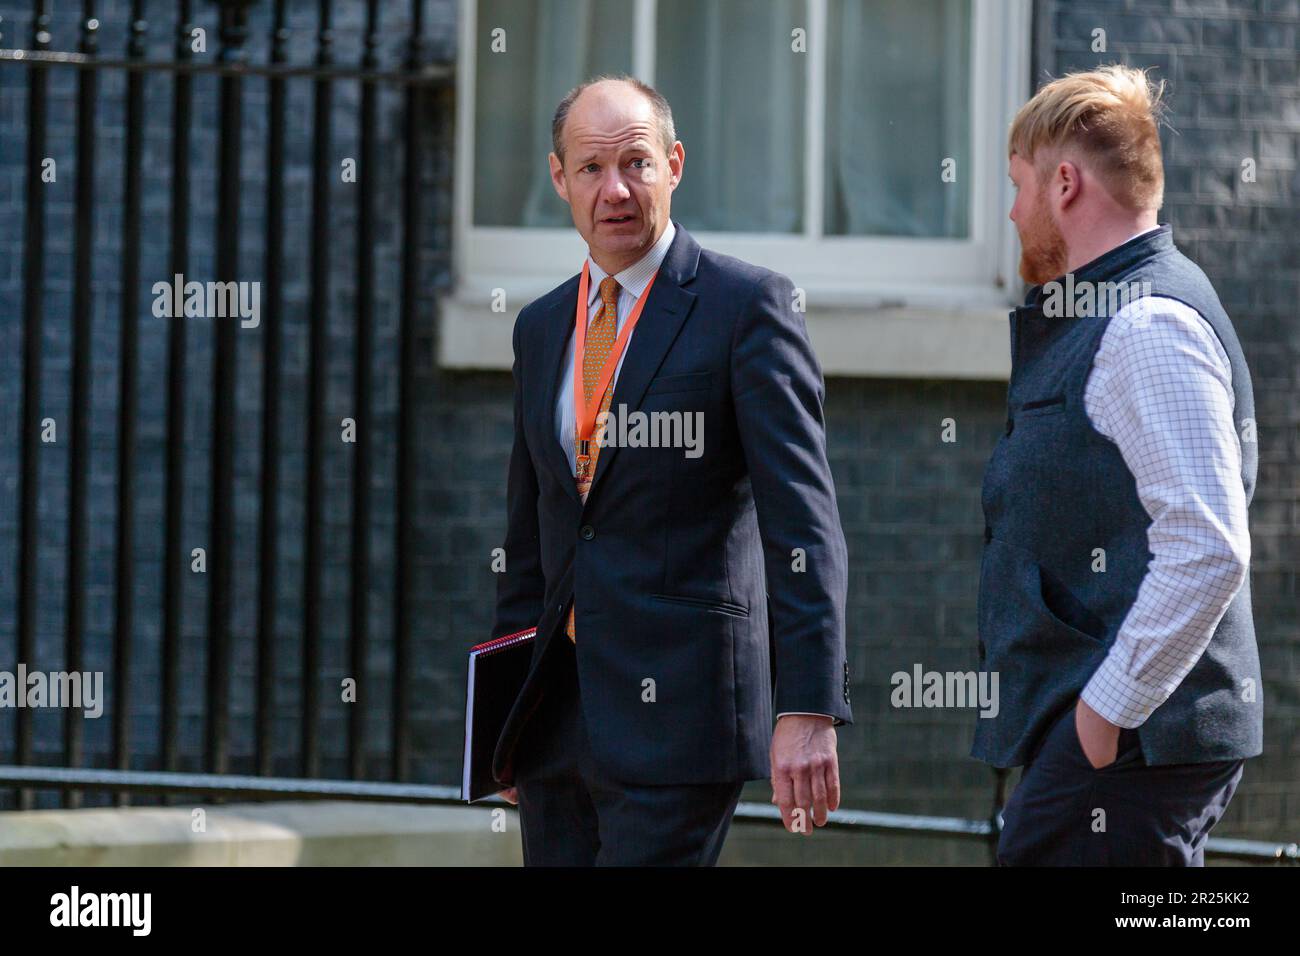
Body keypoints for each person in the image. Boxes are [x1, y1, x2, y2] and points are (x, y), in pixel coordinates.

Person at [486, 74, 853, 866]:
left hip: (681, 715)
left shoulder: (747, 307)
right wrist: (505, 716)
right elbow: (533, 535)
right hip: (555, 719)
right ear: (558, 179)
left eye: (636, 164)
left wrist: (810, 707)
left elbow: (805, 525)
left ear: (675, 164)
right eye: (590, 168)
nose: (614, 189)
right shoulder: (542, 326)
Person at [975, 64, 1262, 865]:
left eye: (1018, 184)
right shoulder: (1116, 310)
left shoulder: (1145, 327)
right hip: (1120, 743)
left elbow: (1209, 547)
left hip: (1131, 747)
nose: (1012, 209)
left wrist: (1099, 719)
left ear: (1064, 183)